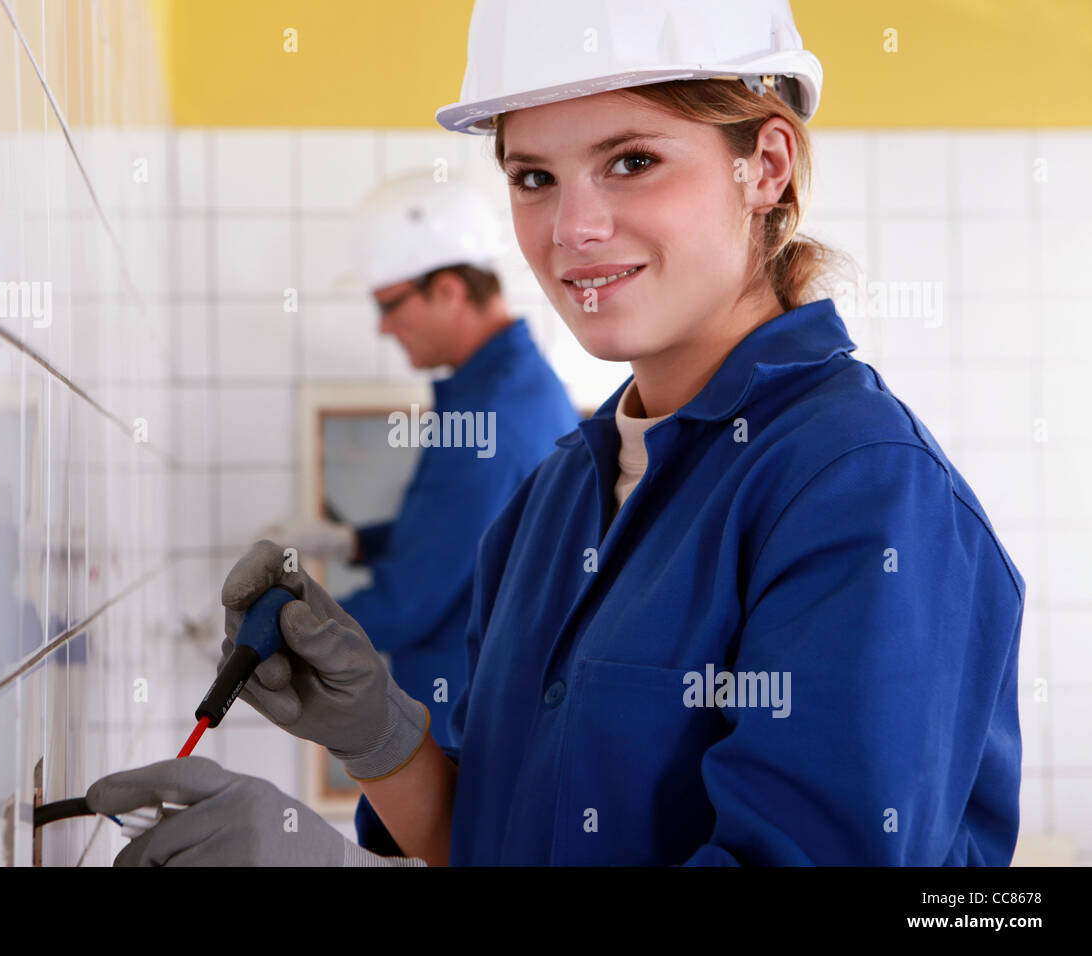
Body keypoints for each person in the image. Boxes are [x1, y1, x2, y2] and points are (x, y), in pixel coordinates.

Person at [88, 0, 1025, 866]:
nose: (573, 228)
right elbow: (493, 835)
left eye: (632, 161)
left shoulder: (861, 491)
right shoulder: (556, 500)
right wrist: (380, 737)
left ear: (766, 167)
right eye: (534, 177)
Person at [255, 170, 579, 753]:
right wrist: (353, 542)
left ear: (449, 291)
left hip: (462, 719)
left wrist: (271, 636)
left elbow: (409, 604)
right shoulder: (512, 392)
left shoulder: (492, 420)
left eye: (390, 305)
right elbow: (470, 534)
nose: (383, 327)